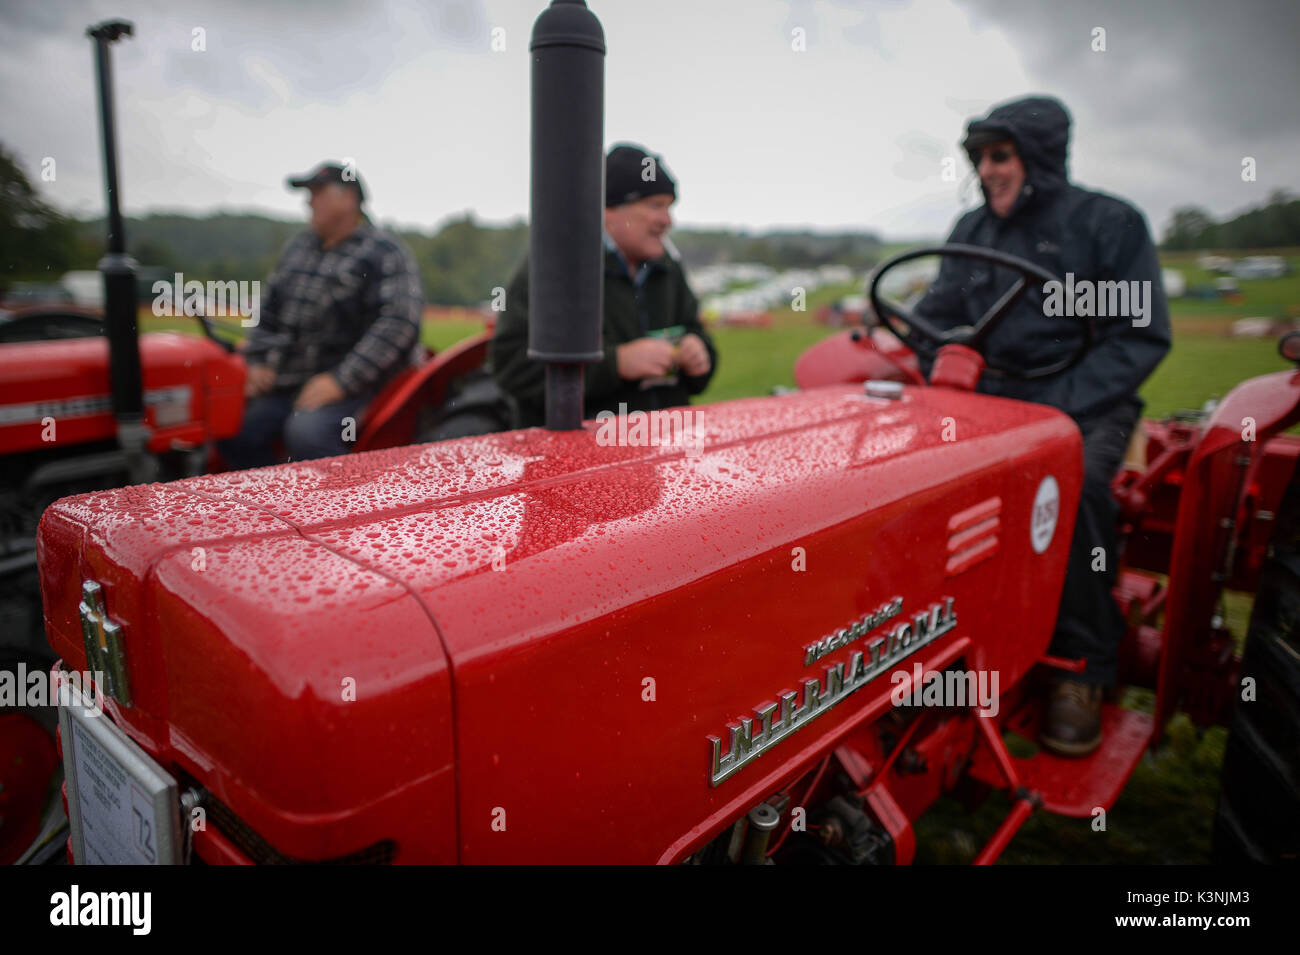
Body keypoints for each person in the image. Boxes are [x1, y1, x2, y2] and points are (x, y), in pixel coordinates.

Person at [911, 95, 1172, 756]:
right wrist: (937, 358)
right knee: (911, 475)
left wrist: (1058, 405)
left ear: (1040, 156)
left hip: (1084, 400)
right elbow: (938, 315)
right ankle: (924, 641)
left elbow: (1139, 337)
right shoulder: (973, 229)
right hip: (989, 398)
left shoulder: (1108, 224)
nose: (988, 169)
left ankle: (1083, 664)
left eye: (1001, 155)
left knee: (1074, 490)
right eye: (980, 157)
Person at [491, 143, 717, 427]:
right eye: (655, 206)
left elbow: (695, 333)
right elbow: (512, 367)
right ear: (609, 209)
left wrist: (698, 354)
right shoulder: (555, 265)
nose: (667, 220)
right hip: (577, 461)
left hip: (662, 453)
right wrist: (617, 364)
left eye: (669, 207)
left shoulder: (668, 267)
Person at [218, 162, 423, 468]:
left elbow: (398, 323)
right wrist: (258, 361)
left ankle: (346, 507)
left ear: (349, 198)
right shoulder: (299, 248)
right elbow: (270, 311)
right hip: (291, 380)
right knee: (232, 428)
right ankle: (270, 509)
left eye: (318, 193)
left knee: (307, 433)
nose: (309, 202)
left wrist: (341, 381)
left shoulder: (385, 252)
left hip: (358, 384)